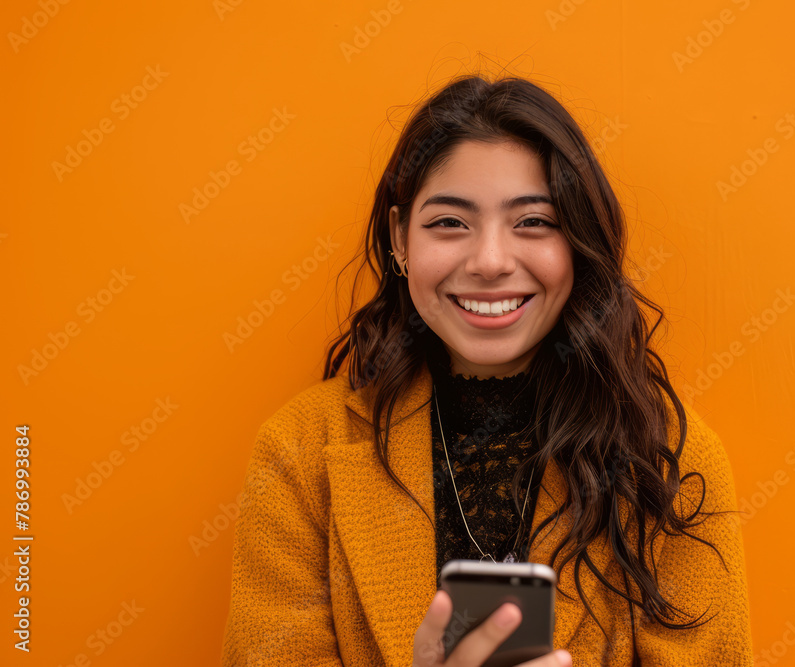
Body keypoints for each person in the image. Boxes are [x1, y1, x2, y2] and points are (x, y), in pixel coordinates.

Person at [222, 73, 753, 666]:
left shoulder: (668, 459)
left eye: (534, 222)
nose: (491, 262)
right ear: (400, 238)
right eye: (450, 222)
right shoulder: (299, 454)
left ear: (577, 242)